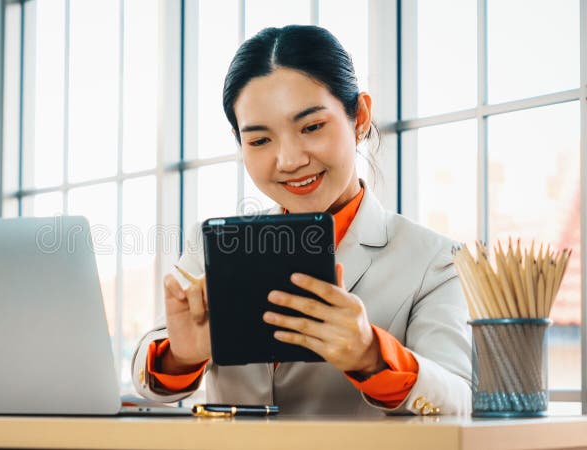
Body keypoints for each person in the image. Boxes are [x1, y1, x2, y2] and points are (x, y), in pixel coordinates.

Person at [131, 25, 472, 416]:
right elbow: (147, 378)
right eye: (260, 140)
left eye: (311, 127)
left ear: (359, 117)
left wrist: (371, 356)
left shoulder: (436, 261)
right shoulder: (214, 244)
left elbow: (459, 400)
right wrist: (180, 356)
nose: (290, 160)